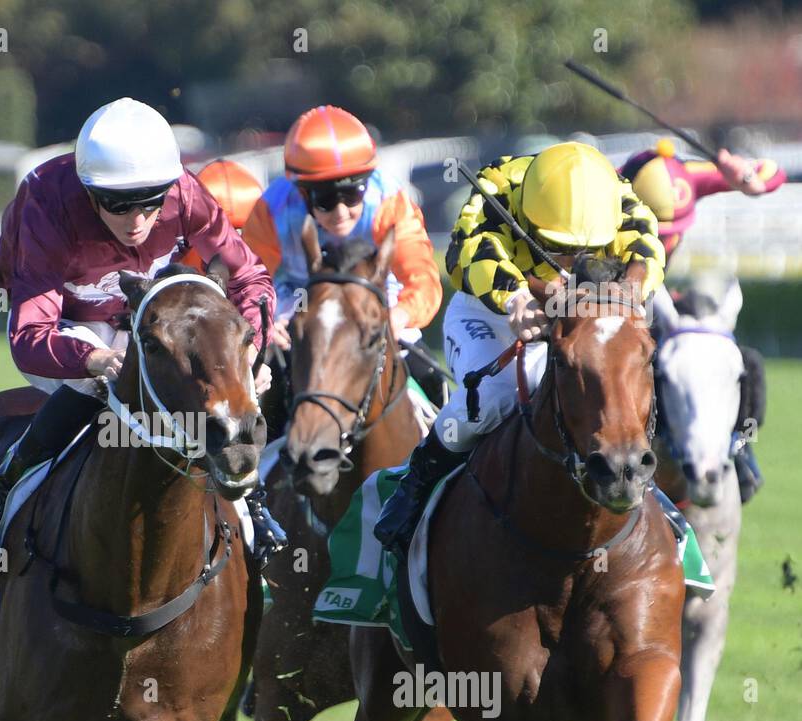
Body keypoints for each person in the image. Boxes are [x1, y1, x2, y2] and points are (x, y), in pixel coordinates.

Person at [0, 97, 284, 568]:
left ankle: (249, 509)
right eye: (117, 205)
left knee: (210, 397)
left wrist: (249, 351)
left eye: (150, 203)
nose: (136, 221)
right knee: (101, 388)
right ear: (89, 192)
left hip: (148, 323)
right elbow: (31, 333)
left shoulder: (184, 193)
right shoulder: (47, 203)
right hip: (72, 326)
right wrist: (93, 362)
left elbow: (249, 280)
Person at [374, 141, 666, 554]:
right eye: (557, 247)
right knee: (497, 395)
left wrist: (628, 294)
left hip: (585, 320)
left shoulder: (618, 197)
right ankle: (417, 485)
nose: (569, 260)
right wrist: (515, 298)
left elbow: (648, 250)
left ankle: (657, 499)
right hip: (489, 314)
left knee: (630, 382)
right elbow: (469, 252)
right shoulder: (496, 188)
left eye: (581, 251)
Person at [242, 105, 446, 408]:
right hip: (301, 313)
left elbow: (422, 280)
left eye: (352, 195)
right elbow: (248, 283)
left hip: (377, 312)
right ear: (301, 192)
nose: (340, 213)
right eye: (324, 200)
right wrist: (268, 322)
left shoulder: (389, 202)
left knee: (432, 378)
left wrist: (398, 317)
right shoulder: (271, 211)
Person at [620, 139, 785, 502]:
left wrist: (744, 175)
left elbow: (774, 173)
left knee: (742, 361)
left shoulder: (692, 176)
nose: (663, 244)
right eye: (656, 234)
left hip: (655, 293)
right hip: (606, 294)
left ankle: (740, 446)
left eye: (670, 232)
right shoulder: (610, 187)